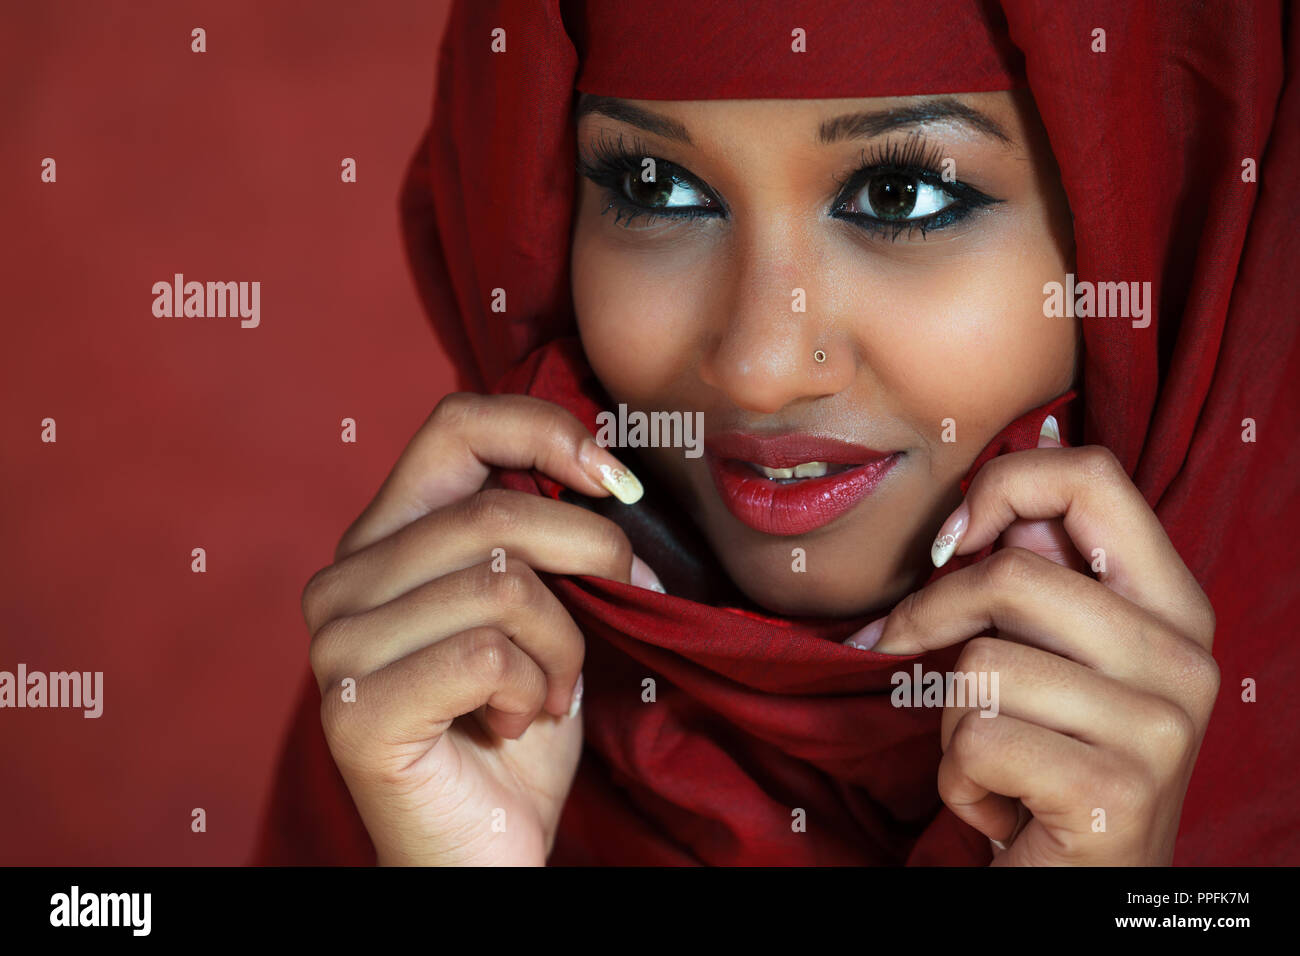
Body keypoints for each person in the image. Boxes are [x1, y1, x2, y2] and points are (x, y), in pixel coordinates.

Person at [254, 0, 1299, 865]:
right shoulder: (439, 695)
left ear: (1160, 236)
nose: (757, 361)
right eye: (654, 186)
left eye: (901, 194)